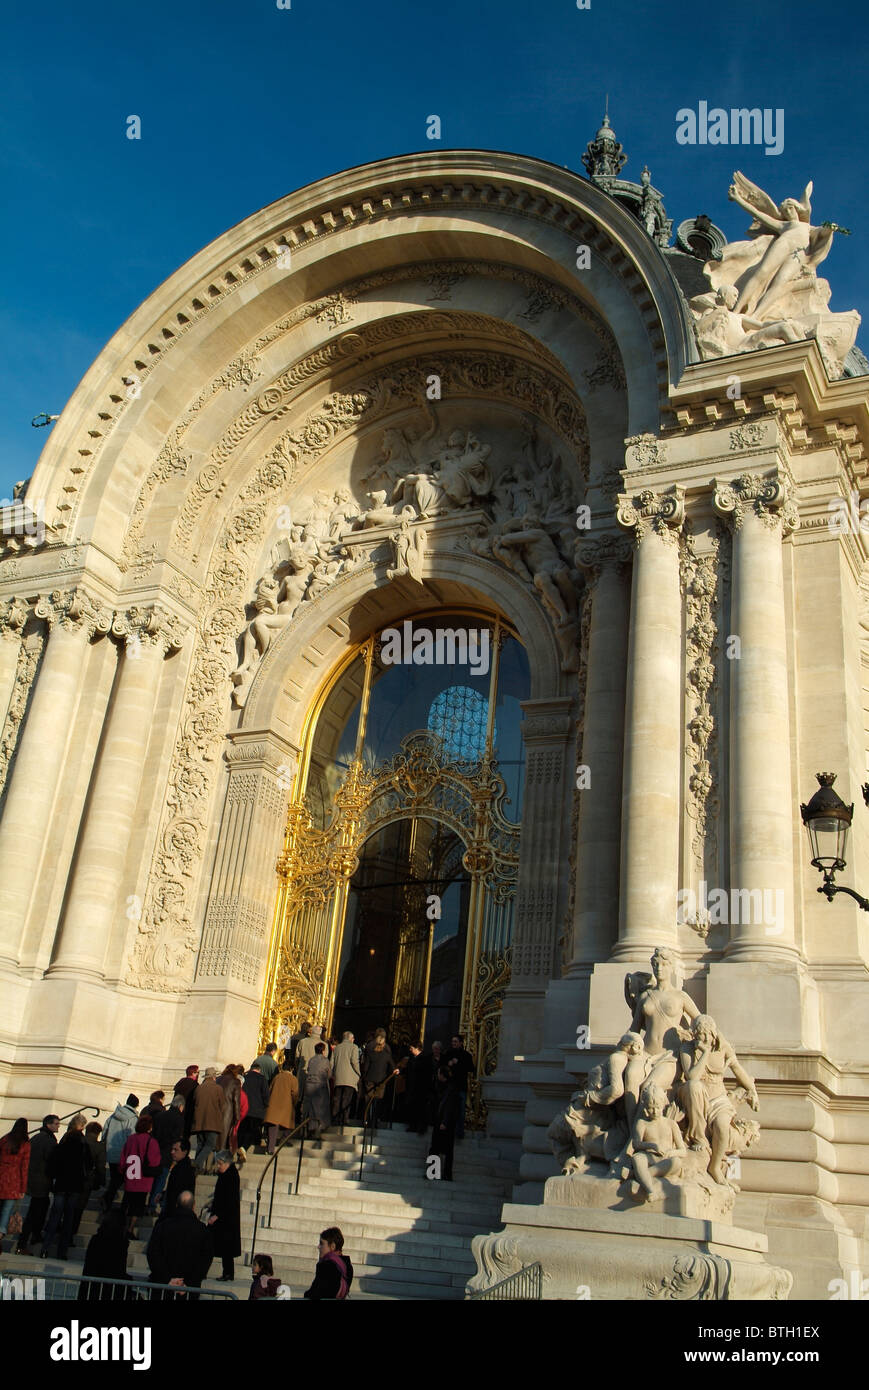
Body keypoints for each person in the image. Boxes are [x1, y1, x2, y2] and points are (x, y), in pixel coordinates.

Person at [42, 1114, 94, 1258]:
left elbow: (52, 1164)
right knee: (68, 1220)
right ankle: (62, 1252)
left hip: (61, 1184)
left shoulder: (63, 1144)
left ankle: (45, 1249)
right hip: (75, 1185)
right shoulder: (83, 1146)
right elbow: (89, 1165)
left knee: (55, 1217)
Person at [146, 1191, 213, 1297]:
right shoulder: (202, 1230)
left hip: (162, 1289)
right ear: (194, 1206)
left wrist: (167, 1280)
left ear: (176, 1205)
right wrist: (189, 1283)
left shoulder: (162, 1226)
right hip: (188, 1290)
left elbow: (153, 1254)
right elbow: (205, 1260)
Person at [16, 1114, 59, 1254]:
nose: (58, 1126)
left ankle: (34, 1235)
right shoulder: (49, 1141)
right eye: (56, 1124)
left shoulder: (35, 1138)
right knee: (34, 1213)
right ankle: (24, 1242)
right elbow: (51, 1162)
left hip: (33, 1179)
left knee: (38, 1209)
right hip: (41, 1181)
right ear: (48, 1125)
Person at [119, 1115, 161, 1240]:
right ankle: (130, 1228)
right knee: (137, 1207)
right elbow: (154, 1161)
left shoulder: (131, 1139)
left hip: (130, 1177)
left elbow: (123, 1157)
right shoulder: (151, 1141)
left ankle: (121, 1227)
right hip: (143, 1180)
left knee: (126, 1204)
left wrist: (122, 1170)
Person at [79, 1207, 130, 1302]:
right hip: (109, 1288)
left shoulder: (96, 1239)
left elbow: (89, 1264)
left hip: (91, 1286)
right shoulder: (121, 1243)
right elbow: (120, 1268)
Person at [101, 1094, 139, 1211]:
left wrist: (104, 1144)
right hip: (123, 1154)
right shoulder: (133, 1119)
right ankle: (107, 1198)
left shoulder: (113, 1115)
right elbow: (132, 1137)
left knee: (114, 1178)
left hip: (110, 1151)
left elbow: (105, 1131)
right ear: (136, 1105)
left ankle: (107, 1199)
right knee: (119, 1179)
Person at [208, 1151, 241, 1282]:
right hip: (224, 1216)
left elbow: (230, 1200)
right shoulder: (226, 1174)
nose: (218, 1166)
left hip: (225, 1218)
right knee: (220, 1246)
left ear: (227, 1163)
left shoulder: (231, 1176)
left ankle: (228, 1273)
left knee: (225, 1248)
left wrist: (217, 1215)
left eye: (220, 1163)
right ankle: (227, 1273)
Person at [150, 1094, 185, 1215]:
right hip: (167, 1154)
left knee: (152, 1179)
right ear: (181, 1106)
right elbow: (176, 1139)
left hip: (154, 1151)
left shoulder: (160, 1116)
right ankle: (152, 1205)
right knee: (160, 1181)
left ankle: (148, 1203)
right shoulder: (179, 1119)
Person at [0, 1118, 30, 1252]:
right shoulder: (25, 1144)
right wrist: (23, 1188)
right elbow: (24, 1167)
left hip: (1, 1176)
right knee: (7, 1210)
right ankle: (0, 1233)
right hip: (14, 1180)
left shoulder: (5, 1139)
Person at [73, 1121, 106, 1237]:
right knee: (79, 1208)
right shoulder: (99, 1147)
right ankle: (72, 1232)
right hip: (86, 1180)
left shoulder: (76, 1141)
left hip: (71, 1177)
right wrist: (102, 1181)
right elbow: (101, 1166)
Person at [361, 1030, 399, 1129]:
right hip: (382, 1080)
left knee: (368, 1100)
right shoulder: (387, 1054)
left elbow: (366, 1066)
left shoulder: (370, 1051)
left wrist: (364, 1076)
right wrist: (395, 1071)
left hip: (370, 1079)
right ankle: (374, 1121)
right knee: (377, 1101)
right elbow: (392, 1066)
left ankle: (366, 1121)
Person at [303, 1227, 353, 1299]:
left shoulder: (326, 1265)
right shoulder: (347, 1265)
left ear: (332, 1246)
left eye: (322, 1243)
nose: (318, 1247)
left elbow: (314, 1293)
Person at [192, 1067, 225, 1172]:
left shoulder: (199, 1088)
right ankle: (196, 1164)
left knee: (200, 1144)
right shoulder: (218, 1088)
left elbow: (194, 1101)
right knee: (210, 1145)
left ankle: (197, 1168)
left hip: (199, 1122)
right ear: (214, 1077)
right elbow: (222, 1105)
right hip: (212, 1123)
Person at [442, 1034, 475, 1139]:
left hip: (461, 1086)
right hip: (450, 1086)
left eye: (456, 1042)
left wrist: (459, 1063)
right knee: (446, 1108)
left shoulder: (466, 1055)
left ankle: (459, 1132)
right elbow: (442, 1065)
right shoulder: (448, 1053)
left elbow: (471, 1068)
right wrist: (449, 1063)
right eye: (453, 1042)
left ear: (461, 1043)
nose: (453, 1044)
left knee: (460, 1111)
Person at [430, 1067, 460, 1181]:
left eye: (439, 1073)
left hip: (444, 1122)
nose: (437, 1075)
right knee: (438, 1148)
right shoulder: (445, 1087)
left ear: (443, 1075)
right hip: (443, 1121)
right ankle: (436, 1173)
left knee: (439, 1148)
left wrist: (444, 1122)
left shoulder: (449, 1089)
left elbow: (449, 1107)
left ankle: (438, 1173)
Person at [264, 1063, 299, 1154]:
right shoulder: (293, 1079)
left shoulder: (277, 1077)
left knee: (273, 1127)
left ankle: (270, 1148)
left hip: (273, 1105)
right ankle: (282, 1142)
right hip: (287, 1106)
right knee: (289, 1126)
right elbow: (295, 1094)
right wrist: (294, 1104)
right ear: (291, 1069)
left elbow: (270, 1089)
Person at [160, 1138, 197, 1222]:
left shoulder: (184, 1169)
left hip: (177, 1212)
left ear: (184, 1152)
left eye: (176, 1150)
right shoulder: (179, 1167)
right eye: (172, 1149)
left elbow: (180, 1190)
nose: (172, 1152)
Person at [302, 1042, 332, 1144]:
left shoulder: (311, 1060)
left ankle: (306, 1130)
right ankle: (317, 1131)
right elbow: (328, 1074)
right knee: (320, 1109)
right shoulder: (325, 1060)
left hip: (309, 1085)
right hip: (320, 1086)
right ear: (323, 1050)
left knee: (309, 1108)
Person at [331, 1031, 361, 1128]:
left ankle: (335, 1118)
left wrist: (332, 1074)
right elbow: (354, 1061)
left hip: (338, 1077)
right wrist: (359, 1073)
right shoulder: (354, 1047)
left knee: (337, 1099)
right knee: (346, 1100)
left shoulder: (337, 1048)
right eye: (353, 1038)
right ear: (350, 1038)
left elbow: (332, 1062)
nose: (354, 1040)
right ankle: (344, 1119)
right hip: (350, 1079)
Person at [240, 1063, 270, 1153]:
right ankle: (244, 1147)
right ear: (259, 1070)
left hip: (244, 1108)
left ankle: (241, 1145)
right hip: (257, 1110)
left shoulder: (244, 1078)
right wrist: (266, 1105)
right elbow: (266, 1094)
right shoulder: (262, 1078)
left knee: (244, 1129)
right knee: (253, 1129)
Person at [404, 1042, 428, 1134]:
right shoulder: (411, 1059)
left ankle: (419, 1126)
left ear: (417, 1048)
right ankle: (412, 1125)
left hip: (420, 1088)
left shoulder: (424, 1059)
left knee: (419, 1108)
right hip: (411, 1087)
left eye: (412, 1048)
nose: (410, 1050)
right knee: (411, 1107)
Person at [217, 1064, 242, 1151]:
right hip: (227, 1112)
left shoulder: (218, 1079)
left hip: (216, 1111)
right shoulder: (235, 1082)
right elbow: (236, 1101)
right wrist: (237, 1117)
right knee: (223, 1141)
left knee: (215, 1141)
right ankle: (219, 1161)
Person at [173, 1065, 200, 1142]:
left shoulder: (180, 1082)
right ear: (193, 1073)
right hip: (187, 1114)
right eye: (197, 1072)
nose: (198, 1075)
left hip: (176, 1112)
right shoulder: (194, 1085)